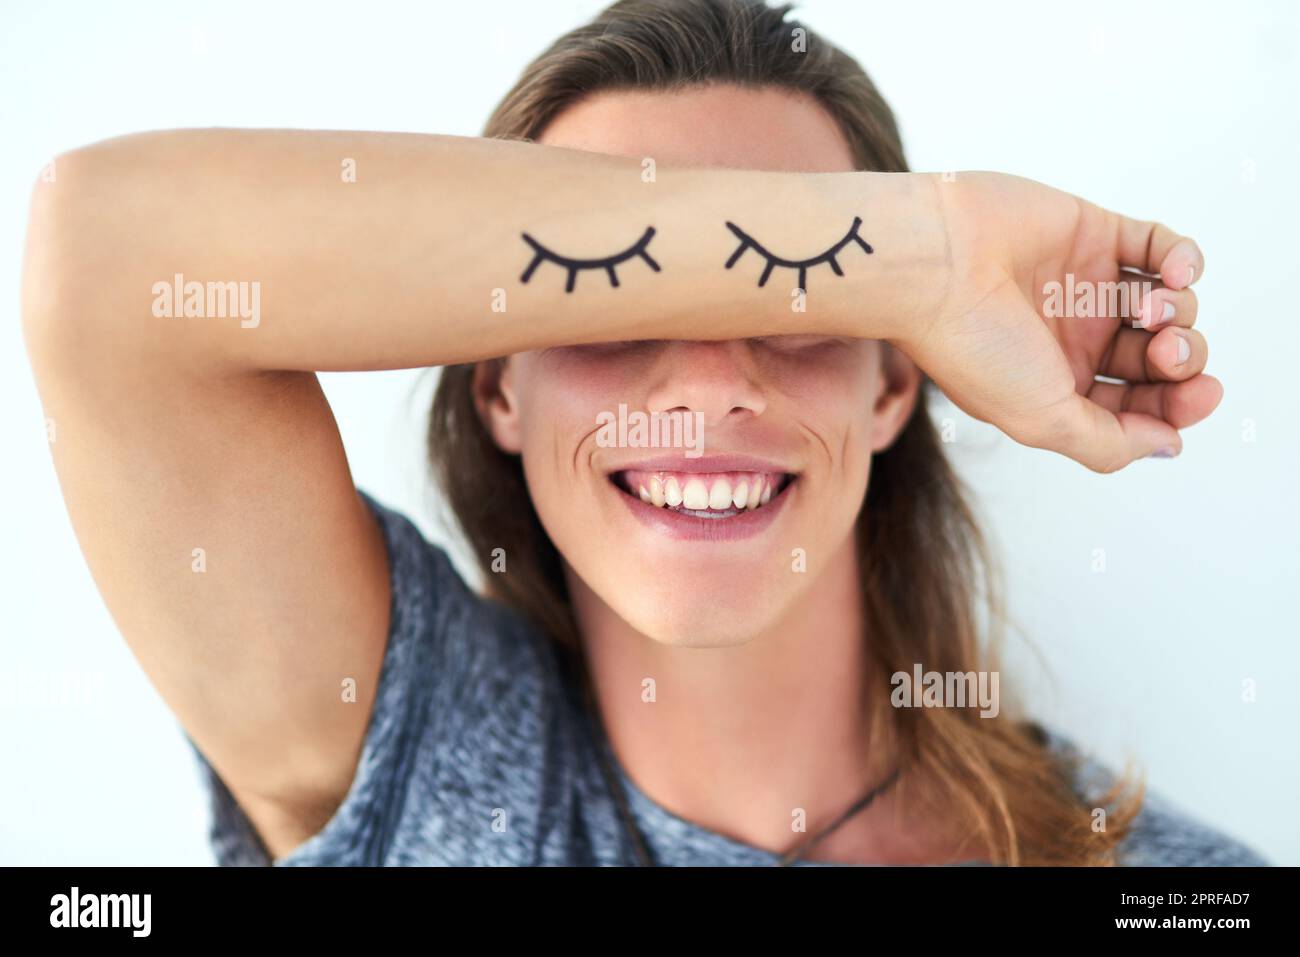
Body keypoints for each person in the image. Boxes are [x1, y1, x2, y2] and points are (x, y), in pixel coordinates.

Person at [21, 0, 1265, 866]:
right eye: (607, 299)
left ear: (897, 382)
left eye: (805, 305)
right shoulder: (431, 762)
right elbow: (105, 251)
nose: (708, 388)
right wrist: (913, 247)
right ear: (496, 386)